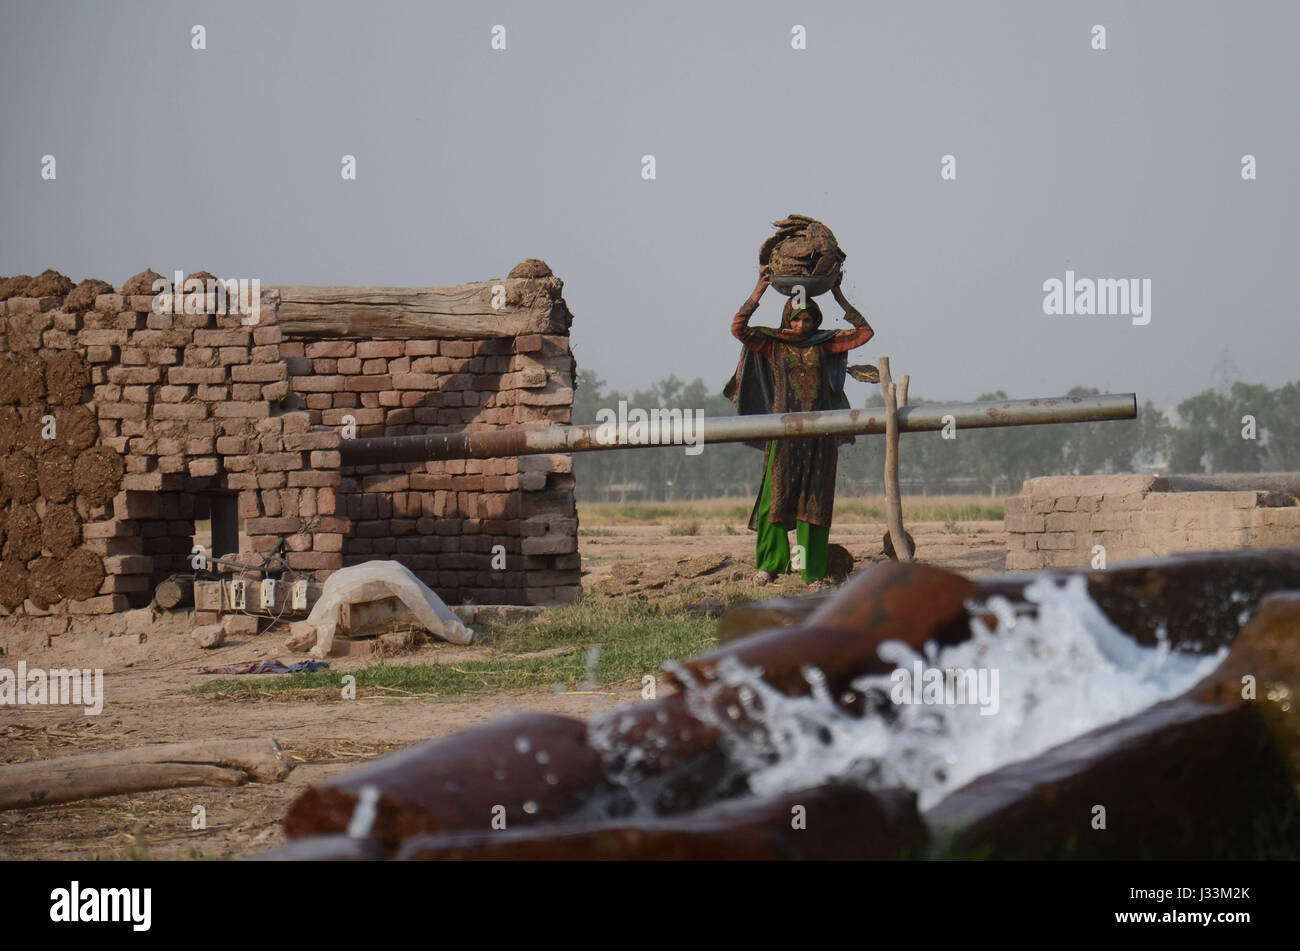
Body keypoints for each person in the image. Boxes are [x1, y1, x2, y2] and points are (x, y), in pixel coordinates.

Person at [724, 266, 874, 587]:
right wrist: (759, 289)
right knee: (773, 504)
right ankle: (769, 566)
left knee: (814, 508)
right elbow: (739, 327)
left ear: (816, 320)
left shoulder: (825, 343)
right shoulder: (772, 343)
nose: (802, 325)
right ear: (787, 319)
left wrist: (837, 294)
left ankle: (811, 573)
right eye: (796, 319)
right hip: (784, 436)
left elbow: (864, 333)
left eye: (807, 320)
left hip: (820, 439)